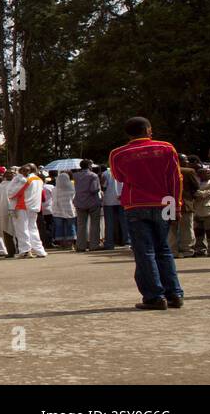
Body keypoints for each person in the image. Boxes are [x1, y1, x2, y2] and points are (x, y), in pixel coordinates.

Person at [109, 117, 183, 310]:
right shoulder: (167, 148)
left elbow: (120, 177)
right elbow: (176, 179)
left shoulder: (118, 154)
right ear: (148, 130)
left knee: (145, 251)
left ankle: (154, 296)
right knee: (164, 248)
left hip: (135, 204)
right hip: (165, 202)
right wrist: (177, 206)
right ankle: (174, 293)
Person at [7, 165, 47, 258]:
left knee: (22, 229)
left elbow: (11, 194)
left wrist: (18, 180)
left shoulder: (26, 180)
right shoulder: (39, 180)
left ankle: (25, 251)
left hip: (23, 206)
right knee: (33, 229)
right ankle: (39, 251)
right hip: (34, 207)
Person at [73, 160, 103, 252]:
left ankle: (80, 246)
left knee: (81, 225)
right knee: (94, 224)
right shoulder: (93, 175)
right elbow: (94, 189)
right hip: (92, 202)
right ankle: (94, 245)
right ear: (89, 166)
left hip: (79, 202)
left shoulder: (76, 176)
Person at [192, 167, 210, 256]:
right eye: (207, 173)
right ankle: (200, 250)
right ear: (200, 174)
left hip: (209, 211)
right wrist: (197, 192)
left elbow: (200, 194)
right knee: (198, 233)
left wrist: (197, 192)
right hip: (197, 211)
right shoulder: (196, 183)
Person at [101, 164, 128, 249]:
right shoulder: (123, 171)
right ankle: (127, 241)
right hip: (121, 199)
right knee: (124, 222)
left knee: (109, 223)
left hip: (109, 200)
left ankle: (109, 243)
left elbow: (104, 187)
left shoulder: (105, 173)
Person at [0, 172, 16, 257]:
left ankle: (2, 250)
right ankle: (17, 250)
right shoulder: (15, 186)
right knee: (13, 230)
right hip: (13, 211)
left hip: (0, 212)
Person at [50, 172, 77, 250]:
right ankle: (70, 244)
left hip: (57, 210)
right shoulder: (72, 187)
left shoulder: (54, 189)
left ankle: (61, 244)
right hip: (70, 209)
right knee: (70, 226)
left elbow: (54, 199)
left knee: (59, 227)